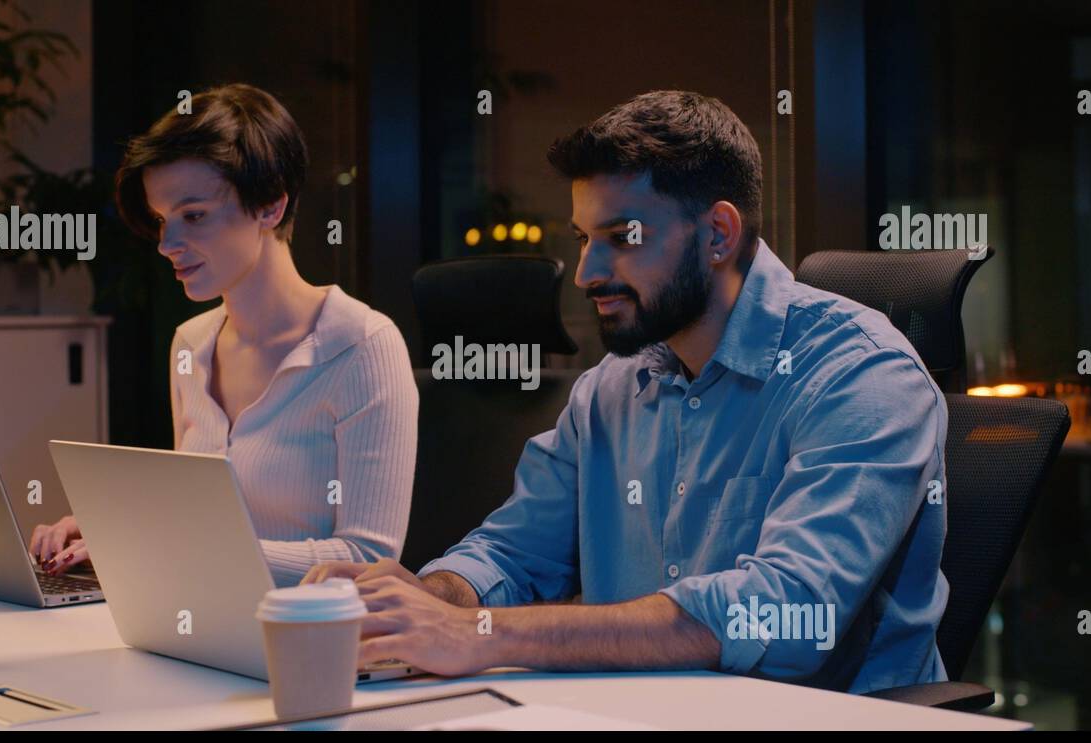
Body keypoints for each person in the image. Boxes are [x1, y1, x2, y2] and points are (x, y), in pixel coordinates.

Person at [306, 90, 949, 694]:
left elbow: (784, 614)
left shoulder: (862, 375)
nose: (586, 272)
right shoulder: (609, 392)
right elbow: (511, 551)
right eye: (584, 239)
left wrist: (476, 635)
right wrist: (435, 599)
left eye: (621, 239)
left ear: (718, 235)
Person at [29, 84, 418, 587]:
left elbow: (366, 560)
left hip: (309, 643)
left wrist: (163, 546)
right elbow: (195, 521)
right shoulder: (190, 344)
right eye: (161, 220)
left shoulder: (363, 346)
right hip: (202, 628)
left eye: (193, 216)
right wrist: (114, 530)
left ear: (271, 207)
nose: (168, 244)